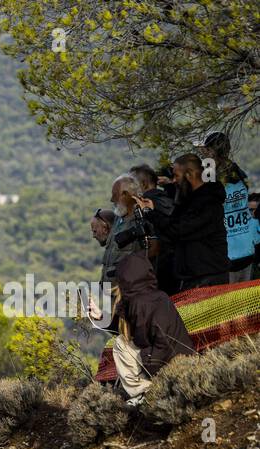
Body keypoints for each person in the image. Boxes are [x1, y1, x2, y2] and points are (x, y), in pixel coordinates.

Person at [88, 253, 195, 404]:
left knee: (121, 343)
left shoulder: (139, 304)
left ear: (127, 279)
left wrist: (148, 369)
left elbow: (156, 342)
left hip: (167, 364)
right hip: (180, 360)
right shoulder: (152, 297)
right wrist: (100, 317)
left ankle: (144, 392)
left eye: (119, 278)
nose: (116, 282)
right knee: (124, 341)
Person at [137, 153, 229, 291]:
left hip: (208, 279)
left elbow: (179, 230)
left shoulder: (208, 204)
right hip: (193, 278)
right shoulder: (189, 201)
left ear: (190, 175)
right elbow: (173, 225)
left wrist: (150, 214)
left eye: (176, 176)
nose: (173, 181)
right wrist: (152, 210)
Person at [200, 132, 253, 283]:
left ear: (211, 151)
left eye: (206, 151)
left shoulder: (210, 172)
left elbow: (203, 204)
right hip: (245, 245)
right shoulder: (237, 171)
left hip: (225, 252)